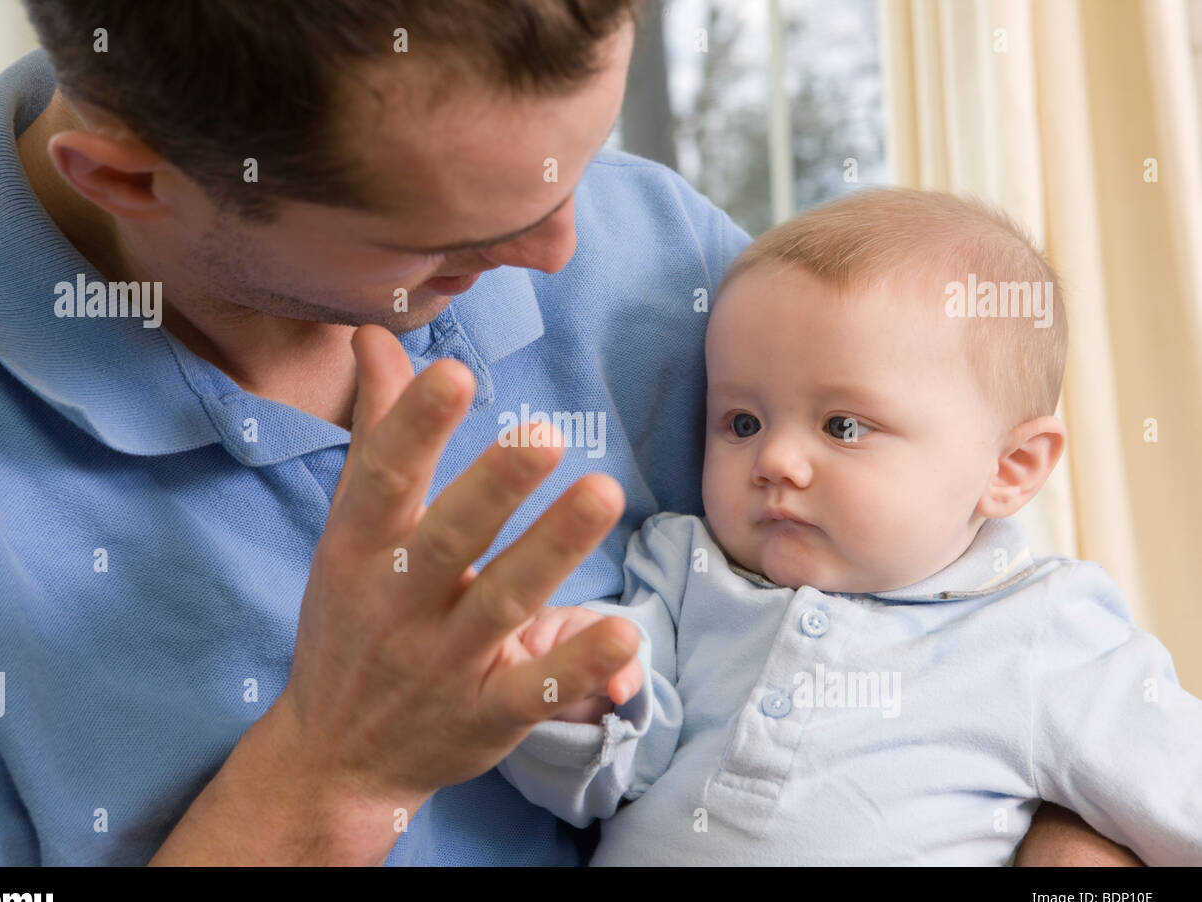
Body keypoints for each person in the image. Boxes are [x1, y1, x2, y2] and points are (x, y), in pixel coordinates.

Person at [0, 0, 1135, 865]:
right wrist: (338, 772)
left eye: (577, 165)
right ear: (130, 181)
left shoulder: (665, 257)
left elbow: (981, 639)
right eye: (443, 237)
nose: (560, 250)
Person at [498, 189, 1199, 864]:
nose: (774, 459)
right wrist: (580, 700)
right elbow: (607, 779)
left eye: (844, 426)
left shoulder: (1047, 628)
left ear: (1010, 467)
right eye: (742, 422)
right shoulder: (684, 568)